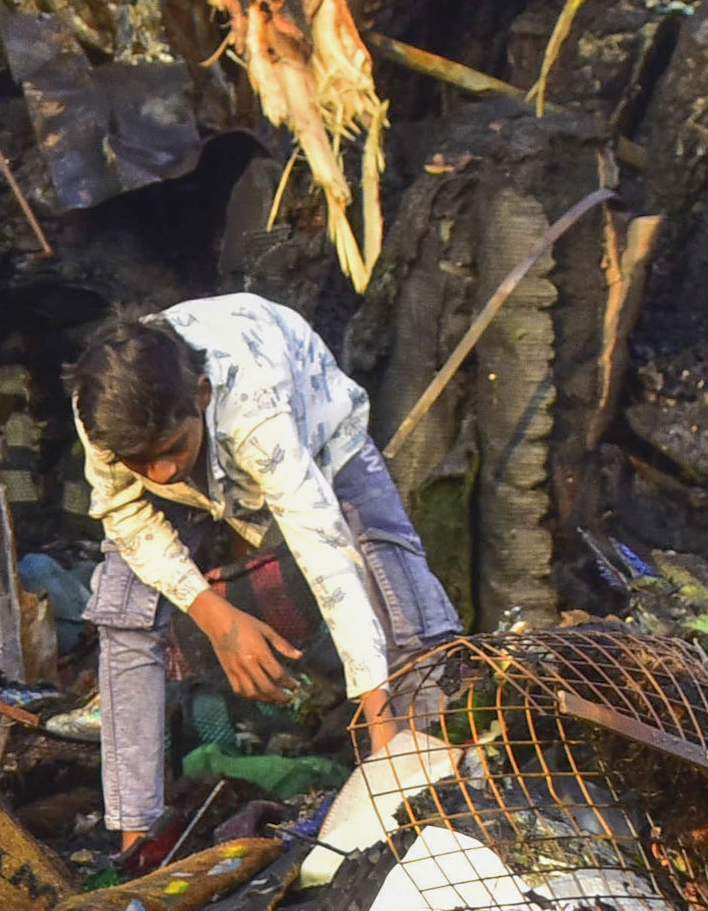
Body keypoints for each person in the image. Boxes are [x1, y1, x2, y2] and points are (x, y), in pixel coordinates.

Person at [69, 294, 455, 862]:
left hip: (319, 437)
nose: (163, 471)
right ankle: (138, 844)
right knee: (122, 613)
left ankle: (433, 790)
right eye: (140, 460)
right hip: (187, 467)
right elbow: (125, 513)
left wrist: (382, 743)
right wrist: (214, 614)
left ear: (200, 397)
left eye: (173, 449)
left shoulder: (257, 412)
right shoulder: (102, 417)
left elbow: (327, 556)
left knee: (394, 584)